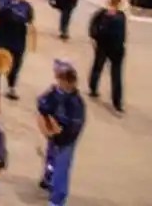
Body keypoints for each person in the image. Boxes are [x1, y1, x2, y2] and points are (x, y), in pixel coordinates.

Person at [37, 61, 86, 206]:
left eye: (62, 80)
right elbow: (42, 103)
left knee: (62, 168)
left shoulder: (76, 104)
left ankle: (57, 201)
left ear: (70, 82)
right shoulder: (56, 92)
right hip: (54, 134)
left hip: (66, 140)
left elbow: (75, 127)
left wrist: (60, 136)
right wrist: (48, 124)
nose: (60, 83)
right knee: (51, 158)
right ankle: (48, 179)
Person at [0, 0, 35, 100]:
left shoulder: (26, 6)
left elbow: (28, 20)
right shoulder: (2, 3)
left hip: (17, 40)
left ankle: (11, 87)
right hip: (2, 37)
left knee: (15, 66)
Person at [87, 0, 127, 113]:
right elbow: (122, 35)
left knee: (98, 67)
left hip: (103, 46)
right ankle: (117, 102)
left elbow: (92, 26)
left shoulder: (102, 13)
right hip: (115, 48)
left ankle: (93, 88)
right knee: (116, 75)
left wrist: (94, 38)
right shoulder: (120, 16)